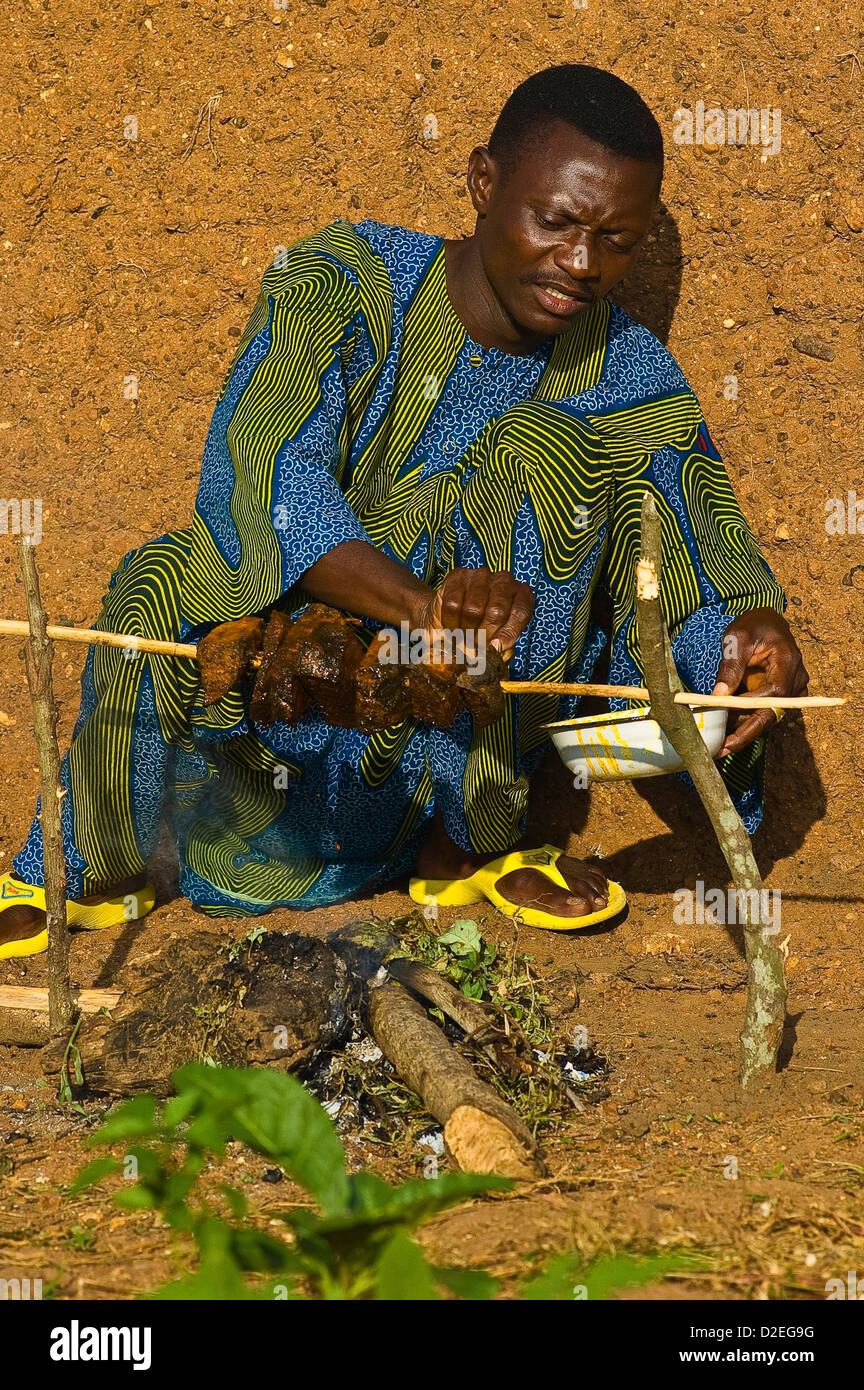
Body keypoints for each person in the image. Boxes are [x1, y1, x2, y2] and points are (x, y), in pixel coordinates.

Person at [0, 64, 807, 958]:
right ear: (482, 182)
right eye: (557, 222)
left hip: (448, 754)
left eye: (619, 239)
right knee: (161, 577)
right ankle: (92, 863)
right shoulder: (341, 281)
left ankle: (471, 843)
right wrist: (423, 611)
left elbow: (690, 560)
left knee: (540, 454)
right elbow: (265, 474)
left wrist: (740, 641)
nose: (582, 265)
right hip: (281, 736)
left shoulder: (631, 376)